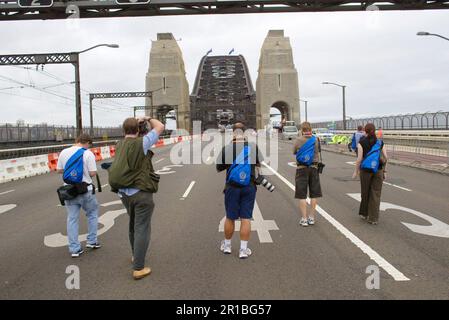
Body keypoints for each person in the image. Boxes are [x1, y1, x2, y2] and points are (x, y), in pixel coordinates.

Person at [108, 116, 165, 280]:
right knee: (142, 227)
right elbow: (160, 126)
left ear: (123, 130)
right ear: (139, 130)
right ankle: (138, 268)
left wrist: (135, 122)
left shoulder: (119, 144)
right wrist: (149, 118)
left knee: (133, 224)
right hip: (140, 193)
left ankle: (136, 255)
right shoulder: (143, 142)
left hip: (124, 194)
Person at [216, 122, 263, 259]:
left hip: (232, 187)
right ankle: (243, 249)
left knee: (230, 217)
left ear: (233, 133)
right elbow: (259, 164)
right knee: (246, 218)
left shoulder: (227, 148)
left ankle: (227, 246)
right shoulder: (252, 147)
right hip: (249, 186)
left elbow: (219, 168)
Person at [56, 133, 101, 258]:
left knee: (72, 219)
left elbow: (59, 170)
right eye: (89, 145)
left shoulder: (64, 152)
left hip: (69, 191)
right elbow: (92, 173)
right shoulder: (87, 153)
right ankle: (92, 241)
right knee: (92, 214)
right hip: (85, 190)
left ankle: (74, 249)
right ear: (87, 142)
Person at [352, 123, 388, 225]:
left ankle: (364, 213)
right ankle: (373, 219)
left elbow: (359, 159)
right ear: (374, 131)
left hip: (365, 171)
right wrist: (385, 171)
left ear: (365, 131)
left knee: (365, 192)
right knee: (376, 194)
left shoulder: (361, 143)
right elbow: (385, 158)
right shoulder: (380, 143)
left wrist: (356, 171)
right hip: (378, 170)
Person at [293, 122, 322, 227]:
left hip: (301, 169)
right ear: (310, 129)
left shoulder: (298, 140)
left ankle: (304, 219)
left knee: (302, 195)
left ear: (301, 130)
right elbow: (317, 152)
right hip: (314, 168)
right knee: (314, 194)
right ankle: (311, 217)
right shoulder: (316, 140)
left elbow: (294, 152)